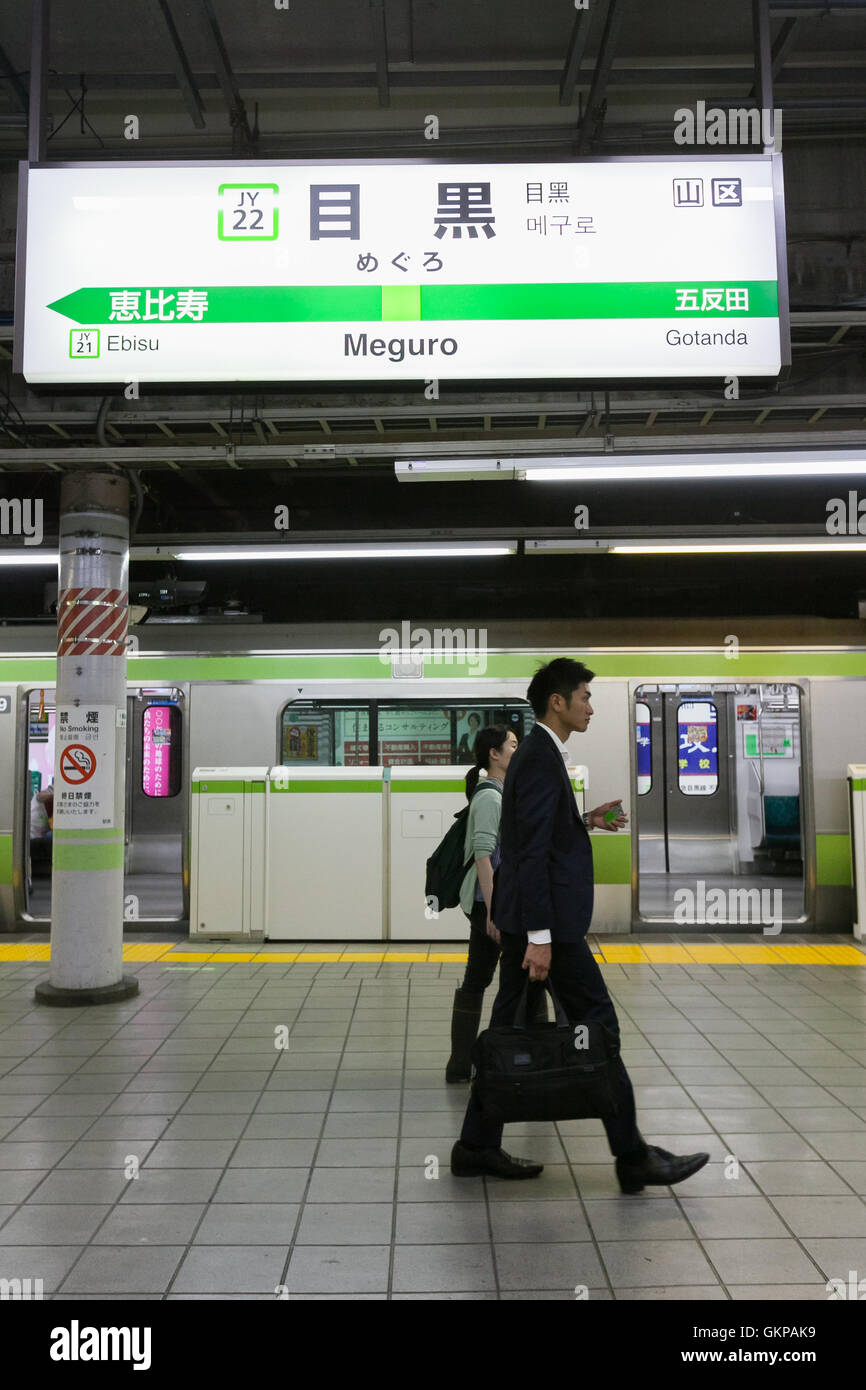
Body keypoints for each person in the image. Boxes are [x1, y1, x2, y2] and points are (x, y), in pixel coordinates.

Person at [451, 658, 710, 1193]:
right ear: (557, 702)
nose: (591, 706)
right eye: (585, 697)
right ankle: (633, 1157)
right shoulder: (542, 758)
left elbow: (531, 834)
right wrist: (543, 938)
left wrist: (584, 820)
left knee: (508, 1029)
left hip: (530, 924)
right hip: (546, 931)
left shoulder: (538, 754)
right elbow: (532, 854)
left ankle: (474, 1146)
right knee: (598, 1024)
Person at [445, 725, 548, 1083]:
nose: (517, 751)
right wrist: (493, 911)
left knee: (484, 979)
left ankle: (462, 1064)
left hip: (494, 903)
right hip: (491, 904)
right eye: (513, 745)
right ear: (495, 753)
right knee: (523, 977)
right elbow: (484, 856)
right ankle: (523, 1058)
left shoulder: (502, 791)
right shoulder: (489, 796)